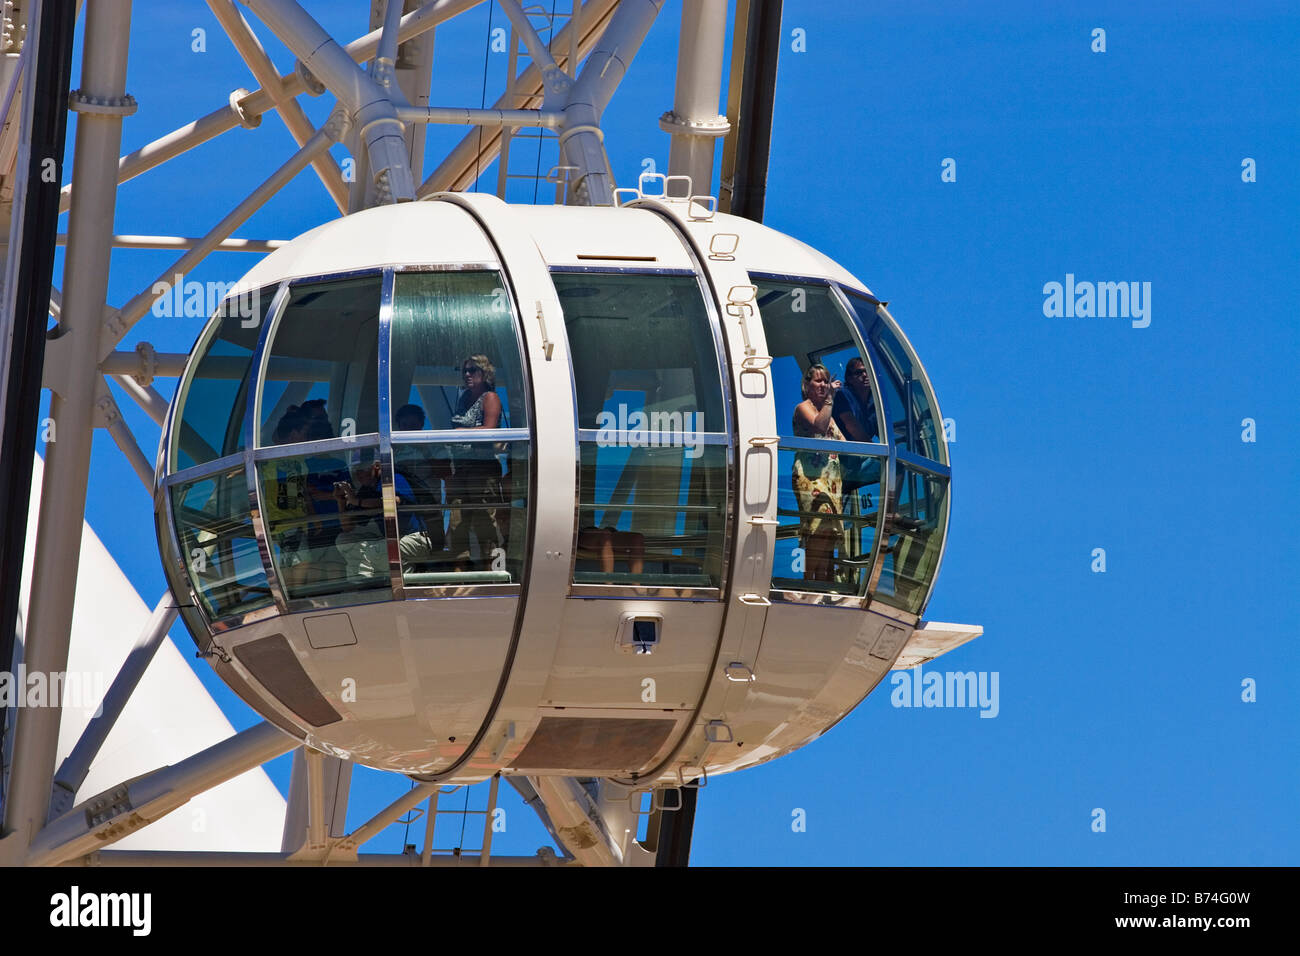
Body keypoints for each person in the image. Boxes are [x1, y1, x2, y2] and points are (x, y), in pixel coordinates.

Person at [446, 354, 505, 569]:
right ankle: (459, 572)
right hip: (461, 466)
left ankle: (492, 570)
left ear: (484, 373)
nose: (468, 374)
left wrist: (463, 432)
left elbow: (490, 430)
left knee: (483, 518)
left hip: (481, 467)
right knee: (456, 517)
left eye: (473, 370)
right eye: (465, 371)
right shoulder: (463, 399)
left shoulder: (490, 397)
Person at [791, 363, 844, 583]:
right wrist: (830, 398)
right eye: (818, 380)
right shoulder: (803, 407)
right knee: (816, 530)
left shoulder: (829, 415)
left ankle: (822, 583)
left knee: (829, 532)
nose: (823, 385)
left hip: (832, 481)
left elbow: (844, 443)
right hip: (812, 479)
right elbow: (819, 426)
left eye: (826, 380)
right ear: (807, 385)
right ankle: (808, 581)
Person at [832, 357, 879, 444]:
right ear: (849, 379)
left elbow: (883, 430)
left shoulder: (876, 400)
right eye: (859, 373)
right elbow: (852, 427)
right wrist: (878, 455)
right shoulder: (842, 395)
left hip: (864, 453)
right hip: (846, 452)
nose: (865, 375)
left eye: (868, 371)